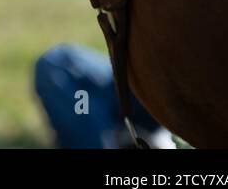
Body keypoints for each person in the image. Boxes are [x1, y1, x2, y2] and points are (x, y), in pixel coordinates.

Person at [33, 43, 174, 148]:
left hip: (147, 100)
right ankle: (116, 131)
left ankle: (107, 133)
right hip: (133, 95)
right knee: (58, 64)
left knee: (54, 65)